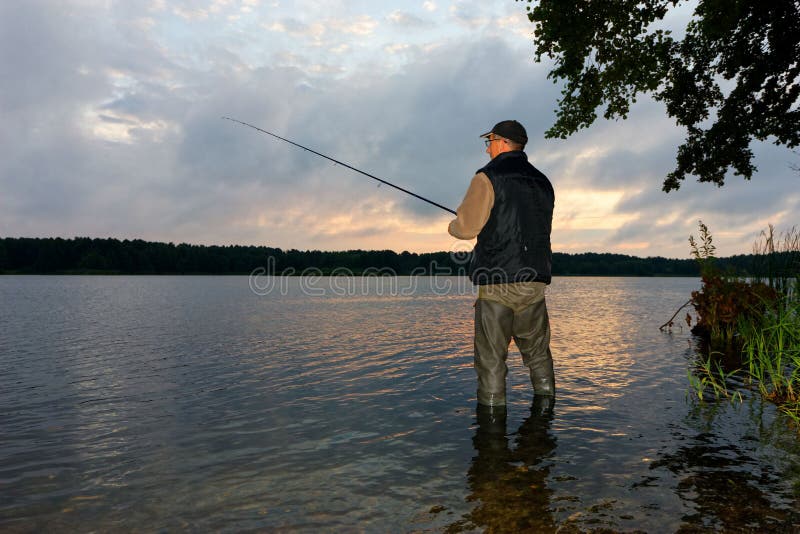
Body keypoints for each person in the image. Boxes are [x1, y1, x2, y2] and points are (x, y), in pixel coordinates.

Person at [448, 120, 555, 408]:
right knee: (538, 355)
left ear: (504, 142)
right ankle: (546, 417)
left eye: (490, 141)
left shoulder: (487, 177)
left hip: (497, 282)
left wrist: (454, 225)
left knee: (491, 361)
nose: (487, 149)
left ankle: (491, 431)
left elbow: (466, 228)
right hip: (535, 280)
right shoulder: (544, 182)